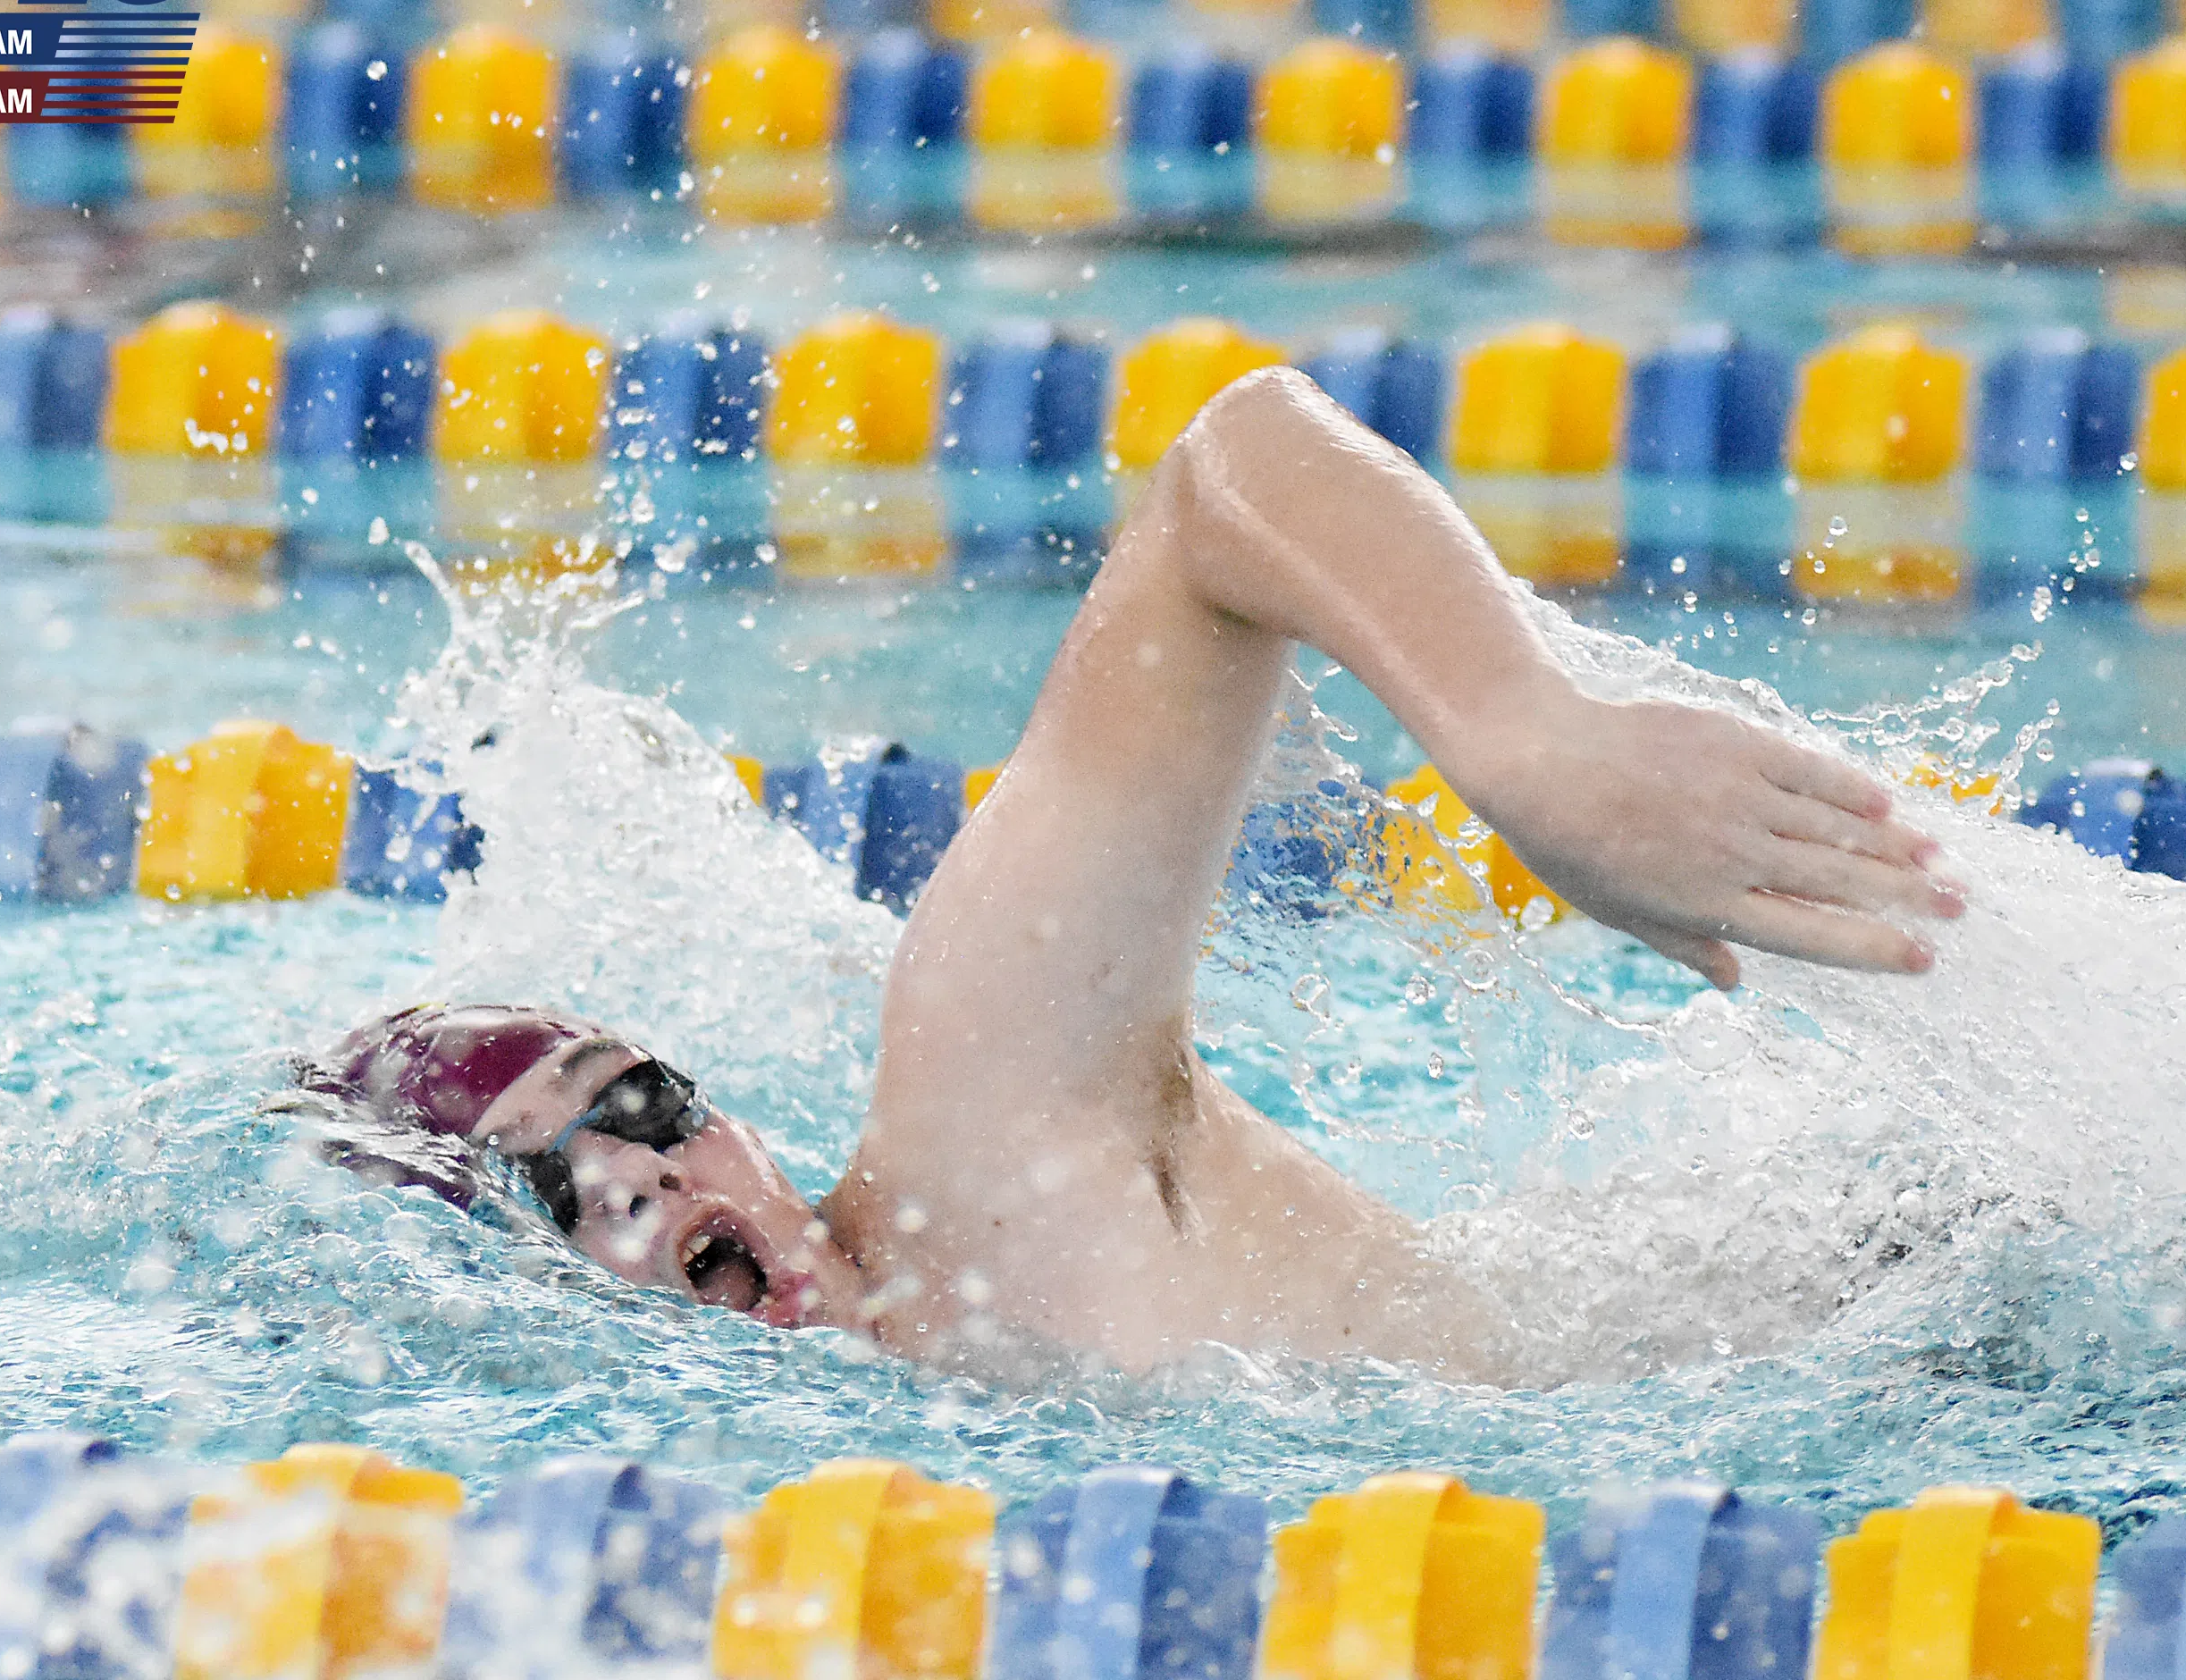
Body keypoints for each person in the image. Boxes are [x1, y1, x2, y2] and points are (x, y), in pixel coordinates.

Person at [290, 366, 1965, 1382]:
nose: (640, 1184)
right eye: (551, 1193)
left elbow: (1225, 474)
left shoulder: (987, 1130)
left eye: (636, 1109)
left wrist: (1523, 738)